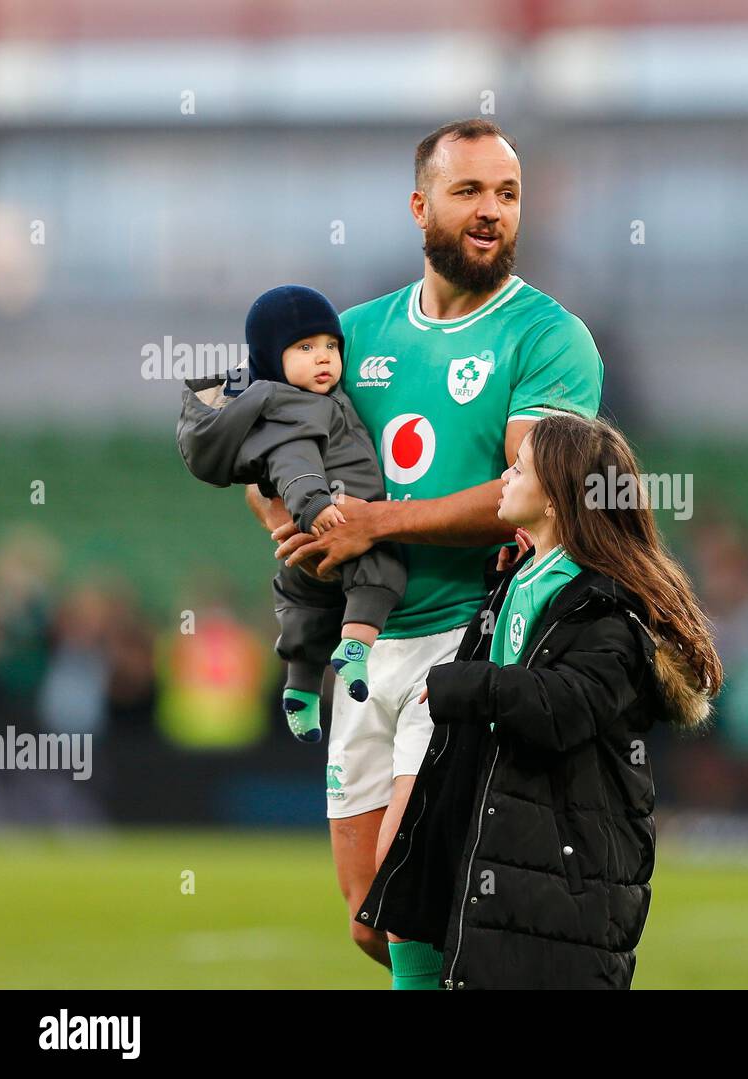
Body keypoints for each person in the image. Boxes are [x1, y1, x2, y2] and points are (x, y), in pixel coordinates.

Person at [244, 118, 604, 971]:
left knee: (408, 904)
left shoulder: (548, 336)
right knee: (370, 919)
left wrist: (380, 522)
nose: (491, 211)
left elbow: (532, 489)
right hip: (364, 645)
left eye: (507, 194)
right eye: (468, 190)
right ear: (420, 206)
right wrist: (286, 518)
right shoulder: (353, 335)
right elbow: (265, 446)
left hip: (469, 639)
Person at [357, 413, 722, 989]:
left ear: (554, 500)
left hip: (561, 854)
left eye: (519, 469)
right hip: (507, 826)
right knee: (411, 924)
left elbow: (564, 706)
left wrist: (467, 686)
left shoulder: (606, 609)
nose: (504, 477)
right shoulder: (527, 577)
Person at [178, 285, 406, 738]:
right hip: (336, 522)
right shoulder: (292, 410)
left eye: (331, 346)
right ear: (270, 356)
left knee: (307, 608)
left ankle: (301, 692)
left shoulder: (299, 401)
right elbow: (294, 466)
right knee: (386, 566)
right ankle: (355, 650)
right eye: (305, 348)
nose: (323, 358)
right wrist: (314, 505)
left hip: (304, 542)